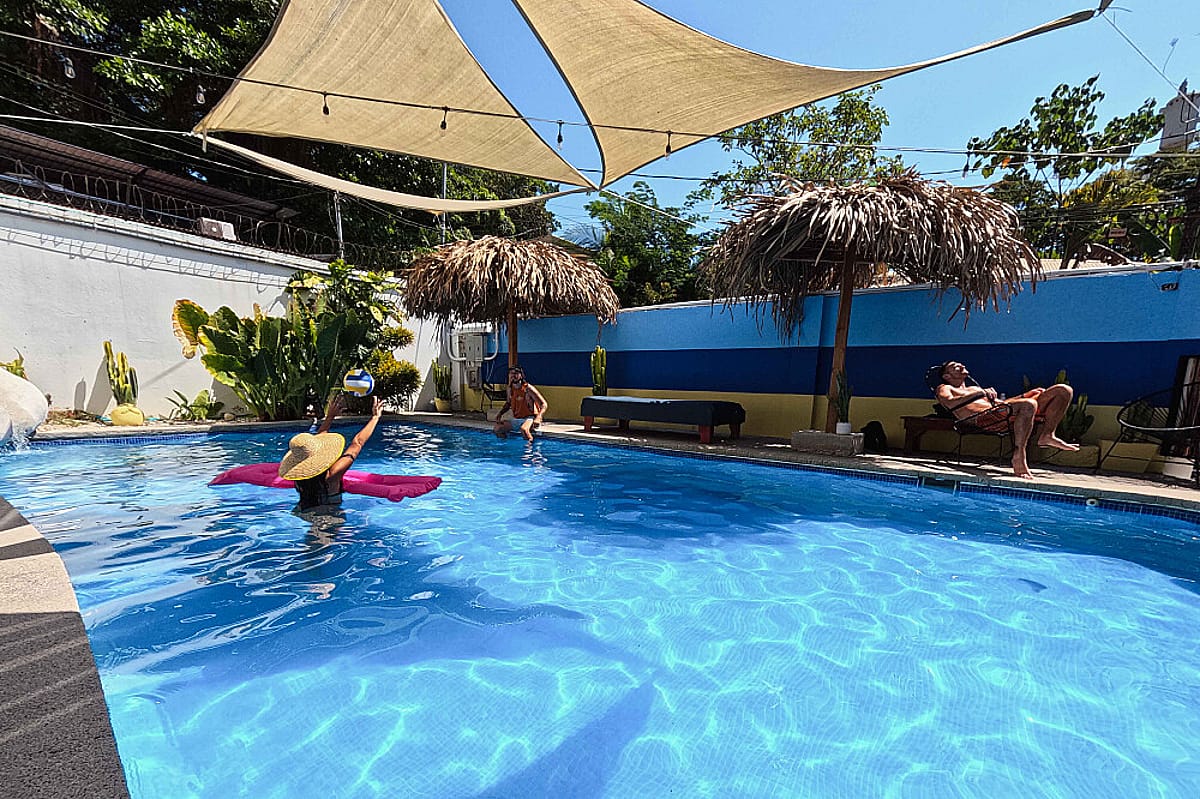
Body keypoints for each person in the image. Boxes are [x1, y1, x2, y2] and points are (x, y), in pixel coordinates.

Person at [934, 360, 1077, 480]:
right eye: (955, 367)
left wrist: (1025, 395)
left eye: (960, 364)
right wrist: (980, 392)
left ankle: (1047, 435)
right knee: (1029, 404)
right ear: (947, 376)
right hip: (980, 418)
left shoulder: (974, 388)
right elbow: (950, 402)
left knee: (1063, 390)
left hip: (1000, 413)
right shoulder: (944, 387)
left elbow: (1003, 404)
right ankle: (1019, 454)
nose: (961, 366)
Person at [279, 394, 384, 511]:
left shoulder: (298, 477)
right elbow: (357, 443)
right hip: (329, 518)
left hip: (301, 512)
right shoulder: (332, 475)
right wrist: (375, 417)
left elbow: (315, 443)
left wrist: (330, 417)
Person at [492, 364, 547, 441]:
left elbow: (544, 404)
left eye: (516, 373)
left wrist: (538, 417)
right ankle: (504, 446)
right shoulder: (510, 389)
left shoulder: (528, 388)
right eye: (511, 373)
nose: (513, 376)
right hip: (517, 419)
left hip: (530, 418)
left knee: (524, 430)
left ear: (521, 375)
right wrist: (500, 414)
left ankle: (530, 450)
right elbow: (508, 403)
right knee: (497, 429)